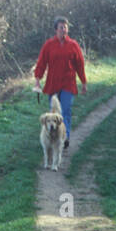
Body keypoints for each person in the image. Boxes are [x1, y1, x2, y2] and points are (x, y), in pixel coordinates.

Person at [33, 17, 87, 150]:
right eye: (61, 27)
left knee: (66, 111)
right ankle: (52, 137)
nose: (63, 29)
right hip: (53, 83)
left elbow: (80, 65)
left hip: (68, 83)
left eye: (65, 27)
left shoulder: (73, 45)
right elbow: (41, 63)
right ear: (56, 29)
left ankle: (65, 137)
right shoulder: (49, 45)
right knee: (53, 112)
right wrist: (37, 80)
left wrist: (83, 82)